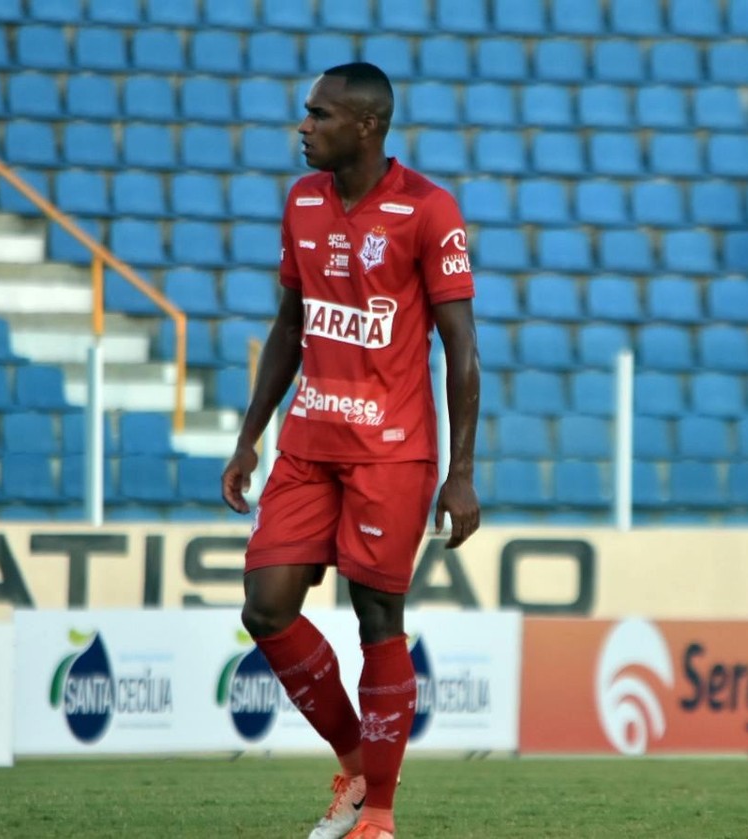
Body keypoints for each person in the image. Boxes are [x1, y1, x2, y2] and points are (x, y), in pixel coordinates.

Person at [221, 62, 481, 839]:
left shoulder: (429, 210)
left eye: (320, 115)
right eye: (307, 114)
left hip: (391, 449)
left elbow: (462, 350)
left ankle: (382, 816)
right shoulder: (301, 202)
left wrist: (461, 472)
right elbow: (290, 325)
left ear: (366, 126)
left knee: (377, 616)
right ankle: (359, 765)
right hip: (308, 440)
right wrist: (249, 435)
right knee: (266, 607)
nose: (304, 127)